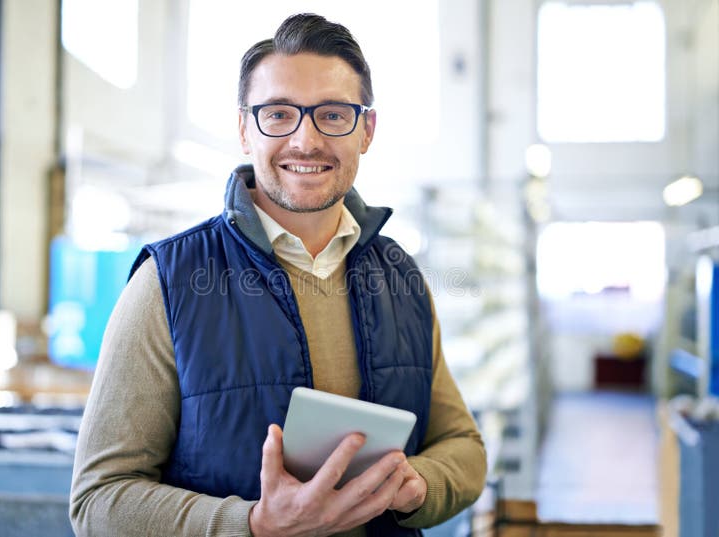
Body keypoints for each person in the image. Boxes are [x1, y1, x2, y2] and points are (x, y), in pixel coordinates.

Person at [70, 13, 486, 537]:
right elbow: (99, 500)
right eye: (278, 114)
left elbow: (464, 448)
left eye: (333, 115)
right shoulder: (168, 283)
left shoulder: (401, 277)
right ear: (245, 129)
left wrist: (416, 484)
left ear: (367, 131)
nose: (305, 140)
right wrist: (253, 524)